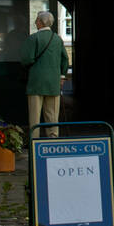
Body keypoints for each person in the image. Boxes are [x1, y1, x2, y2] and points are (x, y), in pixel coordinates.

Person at [21, 10, 70, 138]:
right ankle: (53, 140)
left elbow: (26, 59)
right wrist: (62, 76)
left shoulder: (33, 38)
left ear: (41, 23)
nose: (35, 22)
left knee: (34, 117)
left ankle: (35, 141)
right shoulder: (57, 39)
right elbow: (65, 59)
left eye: (37, 20)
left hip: (36, 81)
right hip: (53, 82)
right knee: (52, 115)